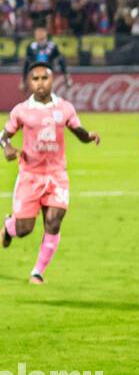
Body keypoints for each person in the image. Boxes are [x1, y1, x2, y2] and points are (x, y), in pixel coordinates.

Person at [0, 62, 99, 282]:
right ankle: (9, 228)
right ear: (29, 82)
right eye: (35, 79)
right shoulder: (21, 110)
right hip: (29, 175)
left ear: (52, 79)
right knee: (24, 229)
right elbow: (3, 135)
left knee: (53, 222)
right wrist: (6, 148)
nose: (40, 83)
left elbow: (77, 130)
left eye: (44, 78)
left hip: (57, 176)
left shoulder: (64, 107)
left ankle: (37, 272)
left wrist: (89, 136)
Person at [22, 25, 69, 92]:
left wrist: (66, 77)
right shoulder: (31, 47)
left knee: (47, 92)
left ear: (45, 33)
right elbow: (26, 64)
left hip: (48, 72)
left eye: (41, 32)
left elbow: (61, 61)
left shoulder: (52, 46)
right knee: (36, 92)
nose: (39, 34)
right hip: (35, 73)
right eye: (37, 32)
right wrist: (24, 81)